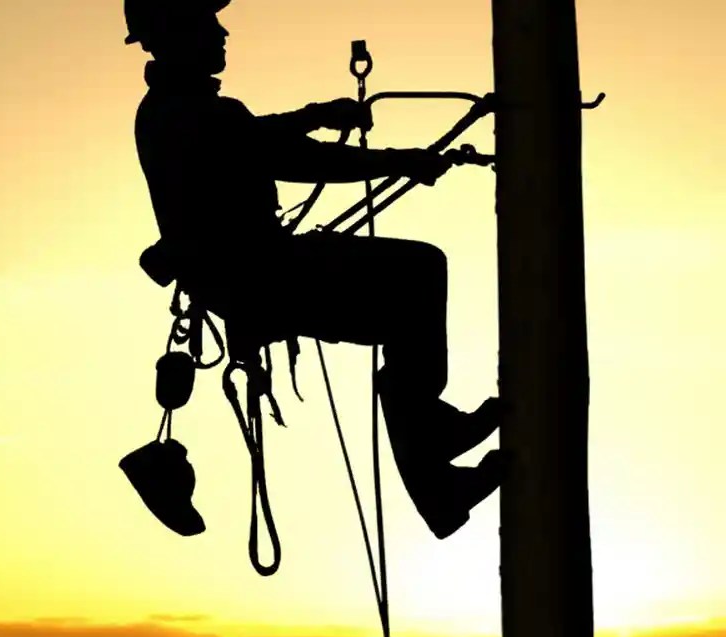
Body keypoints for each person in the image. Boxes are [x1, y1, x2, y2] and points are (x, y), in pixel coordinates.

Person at [126, 0, 504, 539]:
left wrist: (320, 115)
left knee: (407, 298)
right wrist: (401, 160)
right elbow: (295, 159)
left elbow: (255, 137)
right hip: (262, 277)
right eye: (209, 23)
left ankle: (435, 462)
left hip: (249, 277)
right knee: (418, 273)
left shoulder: (174, 110)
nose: (222, 31)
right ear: (180, 33)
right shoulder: (188, 115)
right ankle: (433, 460)